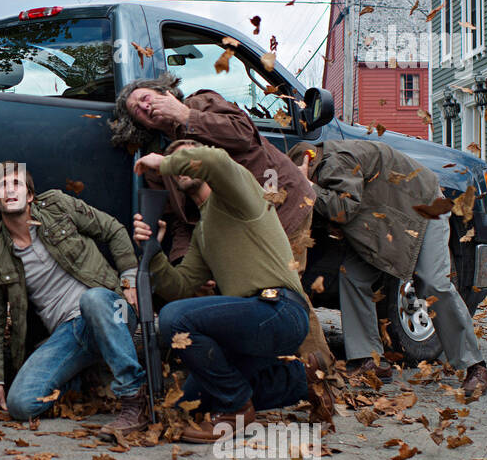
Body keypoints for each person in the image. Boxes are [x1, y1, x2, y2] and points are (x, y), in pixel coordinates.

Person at [110, 78, 333, 369]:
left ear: (163, 92)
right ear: (139, 124)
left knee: (280, 291)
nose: (144, 105)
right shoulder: (158, 157)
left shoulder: (200, 103)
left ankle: (318, 376)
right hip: (228, 224)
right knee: (242, 299)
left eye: (145, 97)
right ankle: (273, 378)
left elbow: (243, 136)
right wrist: (189, 266)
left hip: (279, 202)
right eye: (136, 109)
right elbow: (181, 220)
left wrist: (183, 115)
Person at [132, 142, 336, 443]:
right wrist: (151, 251)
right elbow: (181, 286)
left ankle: (236, 409)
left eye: (186, 153)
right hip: (254, 324)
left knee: (174, 320)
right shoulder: (203, 230)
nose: (181, 162)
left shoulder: (238, 193)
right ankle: (303, 380)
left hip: (280, 310)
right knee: (195, 400)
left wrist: (164, 161)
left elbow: (214, 160)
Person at [289, 140, 487, 401]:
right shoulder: (327, 163)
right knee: (351, 275)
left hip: (425, 210)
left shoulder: (334, 162)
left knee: (432, 283)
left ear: (307, 164)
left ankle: (476, 367)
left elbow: (343, 209)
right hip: (385, 224)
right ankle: (368, 360)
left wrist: (309, 187)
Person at [0, 162, 148, 438]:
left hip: (110, 309)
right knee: (21, 404)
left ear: (30, 195)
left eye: (17, 183)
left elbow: (112, 229)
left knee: (91, 300)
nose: (10, 190)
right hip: (68, 332)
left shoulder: (58, 206)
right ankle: (83, 378)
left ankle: (134, 400)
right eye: (2, 186)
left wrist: (129, 280)